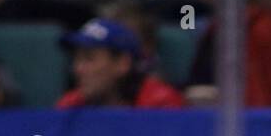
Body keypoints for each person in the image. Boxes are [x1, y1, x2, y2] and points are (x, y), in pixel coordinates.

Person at [55, 17, 185, 108]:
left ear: (122, 64)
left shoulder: (160, 104)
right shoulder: (71, 105)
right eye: (77, 59)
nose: (78, 69)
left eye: (89, 58)